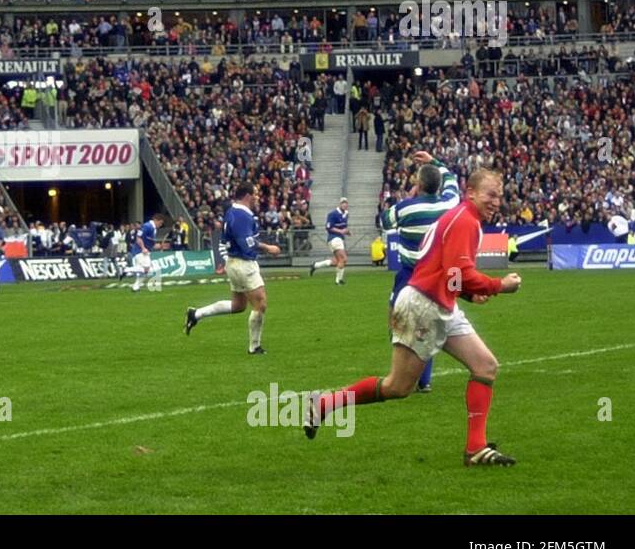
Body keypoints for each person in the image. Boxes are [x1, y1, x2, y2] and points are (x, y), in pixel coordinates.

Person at [304, 169, 523, 466]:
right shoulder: (465, 220)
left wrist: (469, 295)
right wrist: (500, 286)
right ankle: (325, 404)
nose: (496, 201)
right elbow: (460, 272)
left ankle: (476, 449)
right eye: (490, 194)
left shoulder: (463, 218)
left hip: (438, 302)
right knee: (398, 387)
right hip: (423, 305)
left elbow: (451, 273)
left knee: (485, 367)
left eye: (499, 195)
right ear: (470, 192)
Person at [382, 151, 460, 393]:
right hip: (436, 275)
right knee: (427, 324)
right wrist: (435, 162)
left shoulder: (406, 208)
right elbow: (453, 180)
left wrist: (409, 197)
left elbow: (385, 219)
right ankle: (424, 379)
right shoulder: (449, 204)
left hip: (409, 274)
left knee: (397, 322)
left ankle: (404, 372)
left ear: (419, 184)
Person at [183, 183, 280, 354]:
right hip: (243, 263)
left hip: (234, 263)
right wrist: (268, 248)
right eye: (255, 193)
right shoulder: (242, 215)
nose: (257, 197)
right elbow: (247, 243)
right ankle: (254, 347)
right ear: (247, 196)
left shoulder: (232, 212)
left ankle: (196, 314)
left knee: (238, 305)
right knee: (260, 304)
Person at [309, 198, 350, 284]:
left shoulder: (346, 214)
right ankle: (338, 281)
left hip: (339, 239)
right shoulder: (333, 214)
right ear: (339, 204)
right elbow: (328, 227)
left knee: (337, 261)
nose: (345, 204)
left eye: (346, 203)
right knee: (344, 258)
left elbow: (342, 227)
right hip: (334, 238)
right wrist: (341, 231)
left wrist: (347, 232)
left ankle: (316, 265)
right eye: (343, 203)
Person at [130, 214, 166, 292]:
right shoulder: (147, 226)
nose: (160, 225)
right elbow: (138, 238)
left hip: (145, 251)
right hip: (139, 251)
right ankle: (126, 270)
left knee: (145, 271)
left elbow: (152, 245)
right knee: (146, 267)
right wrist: (143, 248)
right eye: (160, 223)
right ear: (156, 220)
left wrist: (160, 246)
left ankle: (136, 287)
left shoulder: (153, 229)